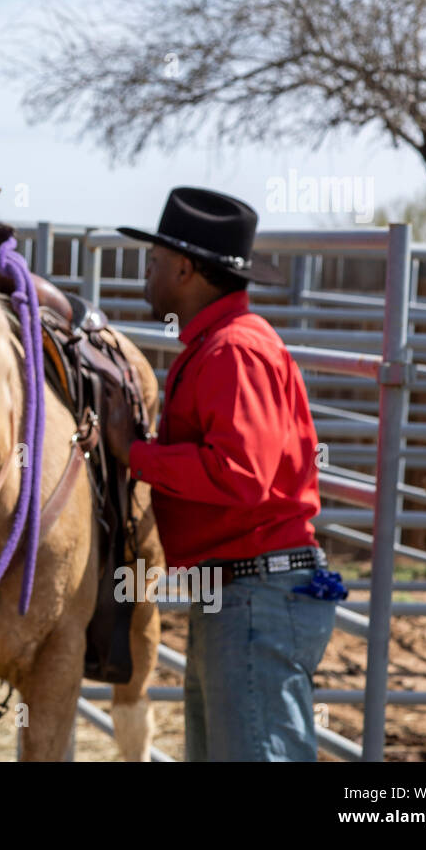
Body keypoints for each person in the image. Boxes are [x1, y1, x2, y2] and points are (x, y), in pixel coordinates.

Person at [102, 186, 342, 762]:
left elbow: (241, 473)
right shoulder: (223, 345)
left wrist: (133, 453)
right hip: (240, 591)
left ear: (186, 268)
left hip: (254, 594)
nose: (147, 274)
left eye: (154, 262)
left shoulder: (233, 350)